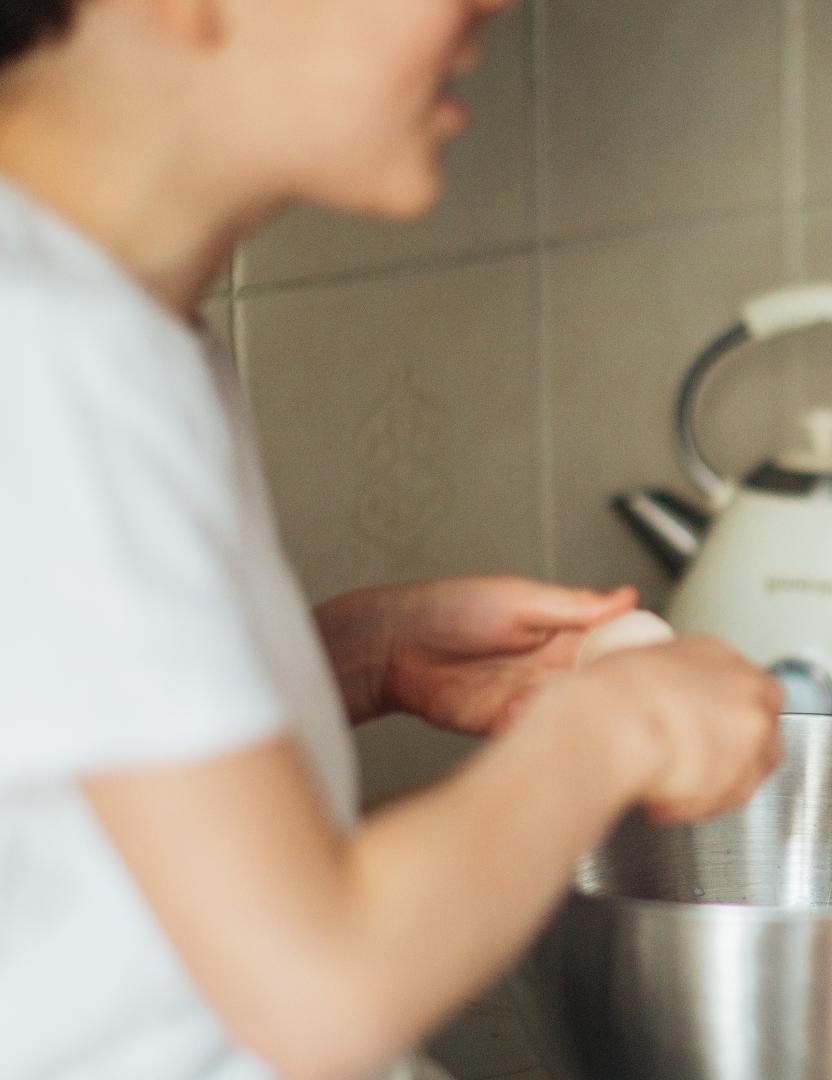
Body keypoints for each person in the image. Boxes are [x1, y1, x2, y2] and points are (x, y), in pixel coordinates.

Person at [0, 2, 783, 1078]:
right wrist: (620, 724)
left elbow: (77, 775)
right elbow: (320, 988)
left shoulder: (98, 317)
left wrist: (354, 657)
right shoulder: (53, 352)